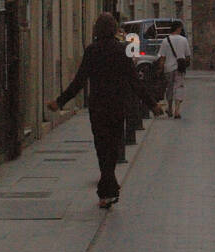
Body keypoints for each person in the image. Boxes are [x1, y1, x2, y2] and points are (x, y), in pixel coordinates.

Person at [48, 12, 161, 208]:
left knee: (102, 147)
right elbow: (135, 82)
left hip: (98, 106)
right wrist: (153, 104)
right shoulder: (122, 51)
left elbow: (79, 81)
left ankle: (107, 190)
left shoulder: (92, 51)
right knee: (113, 147)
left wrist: (60, 101)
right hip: (118, 105)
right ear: (114, 29)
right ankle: (108, 188)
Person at [158, 20, 191, 119]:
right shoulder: (184, 40)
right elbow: (188, 55)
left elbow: (162, 57)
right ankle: (177, 110)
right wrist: (185, 63)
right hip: (180, 68)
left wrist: (160, 68)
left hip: (168, 68)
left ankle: (169, 108)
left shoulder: (165, 40)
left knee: (169, 88)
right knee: (179, 87)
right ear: (178, 28)